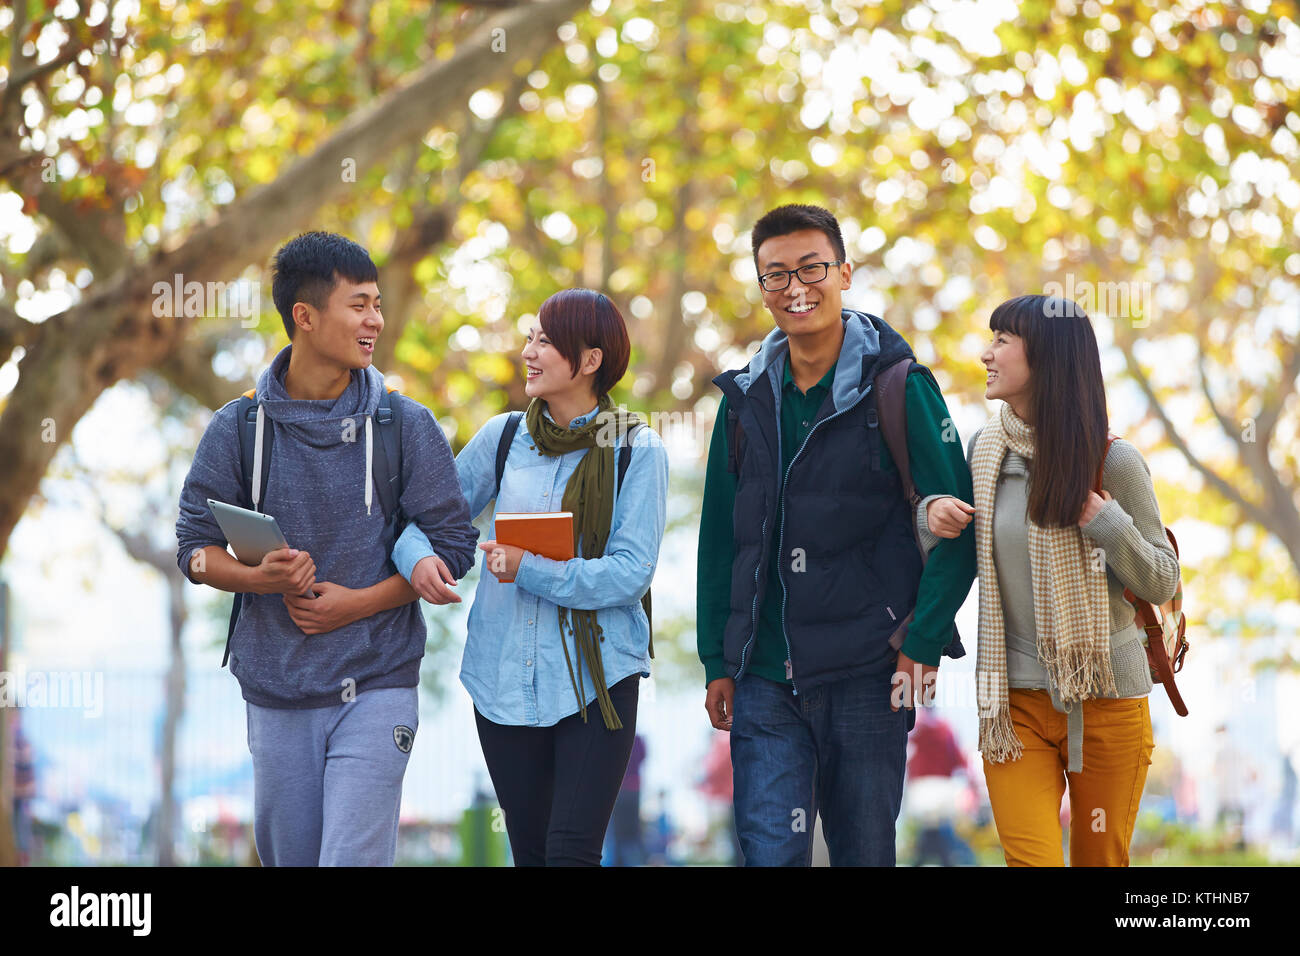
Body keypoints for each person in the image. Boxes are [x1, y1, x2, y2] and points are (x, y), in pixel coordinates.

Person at [175, 231, 478, 866]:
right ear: (305, 317)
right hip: (276, 689)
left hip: (377, 681)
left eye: (377, 305)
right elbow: (194, 550)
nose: (375, 320)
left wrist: (360, 603)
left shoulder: (406, 425)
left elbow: (454, 544)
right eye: (359, 305)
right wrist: (261, 580)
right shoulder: (239, 428)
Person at [696, 203, 977, 866]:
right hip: (763, 678)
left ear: (844, 272)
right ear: (761, 286)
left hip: (869, 672)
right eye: (775, 275)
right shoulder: (742, 403)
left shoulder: (902, 389)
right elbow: (719, 539)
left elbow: (959, 527)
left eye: (812, 267)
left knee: (863, 853)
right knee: (770, 854)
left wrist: (922, 643)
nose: (796, 287)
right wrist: (718, 658)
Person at [392, 288, 669, 866]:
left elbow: (628, 576)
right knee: (530, 853)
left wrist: (529, 569)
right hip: (502, 680)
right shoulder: (502, 438)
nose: (529, 352)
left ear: (590, 360)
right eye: (530, 338)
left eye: (545, 341)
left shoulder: (636, 450)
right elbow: (426, 519)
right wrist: (417, 559)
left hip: (599, 682)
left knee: (571, 852)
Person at [922, 293, 1179, 867]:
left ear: (1047, 357)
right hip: (1010, 705)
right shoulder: (985, 450)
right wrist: (930, 513)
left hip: (1107, 700)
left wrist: (1109, 524)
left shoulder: (1113, 461)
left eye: (1001, 341)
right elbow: (953, 545)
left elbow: (1162, 580)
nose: (986, 354)